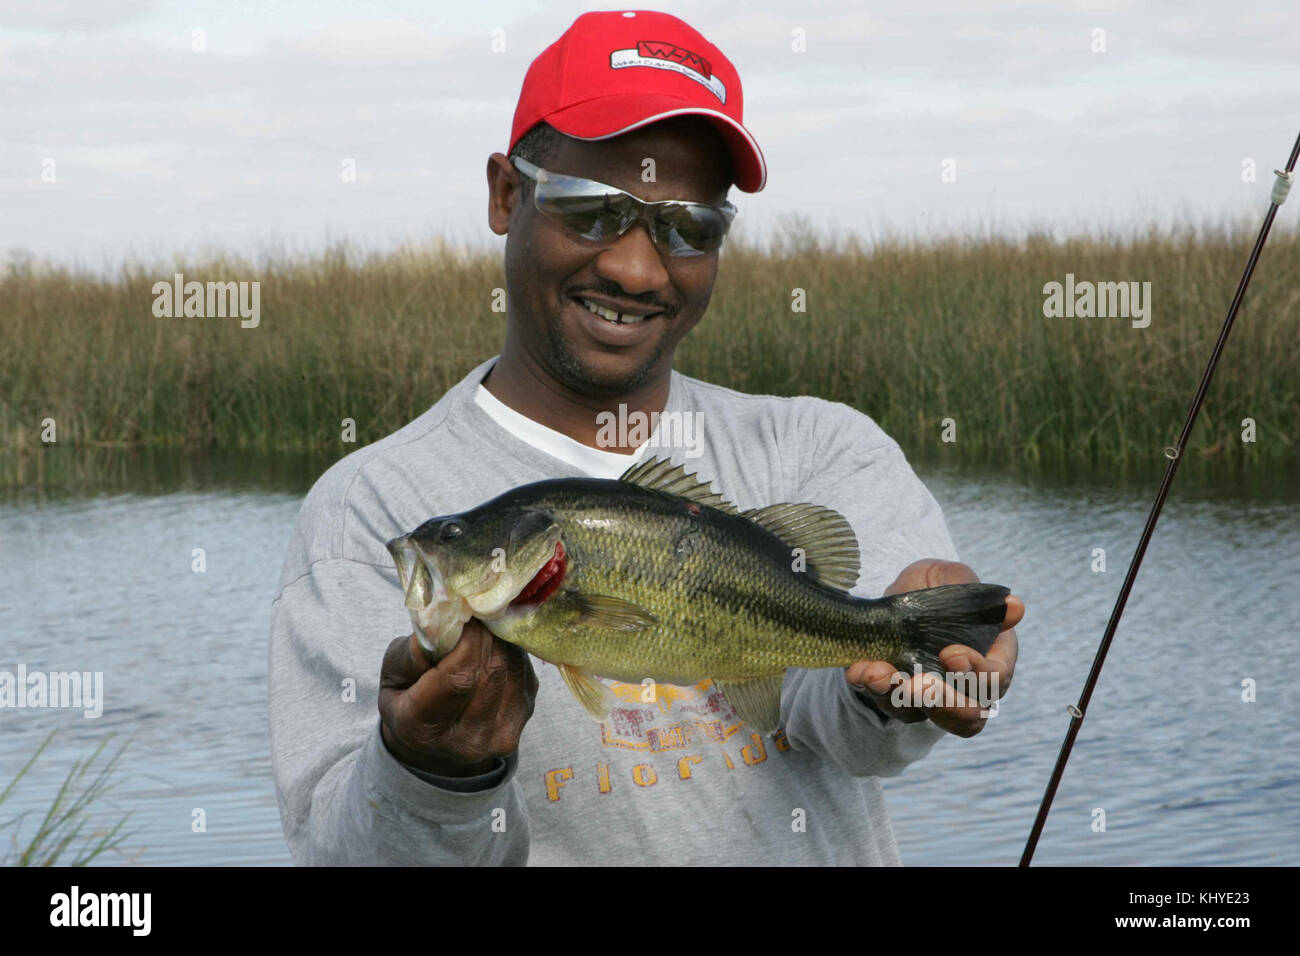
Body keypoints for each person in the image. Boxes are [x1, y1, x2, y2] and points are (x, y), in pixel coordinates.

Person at [268, 9, 1023, 866]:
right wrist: (431, 770)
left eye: (688, 227)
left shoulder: (822, 449)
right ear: (505, 196)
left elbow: (845, 727)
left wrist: (917, 682)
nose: (634, 266)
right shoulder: (368, 511)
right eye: (592, 211)